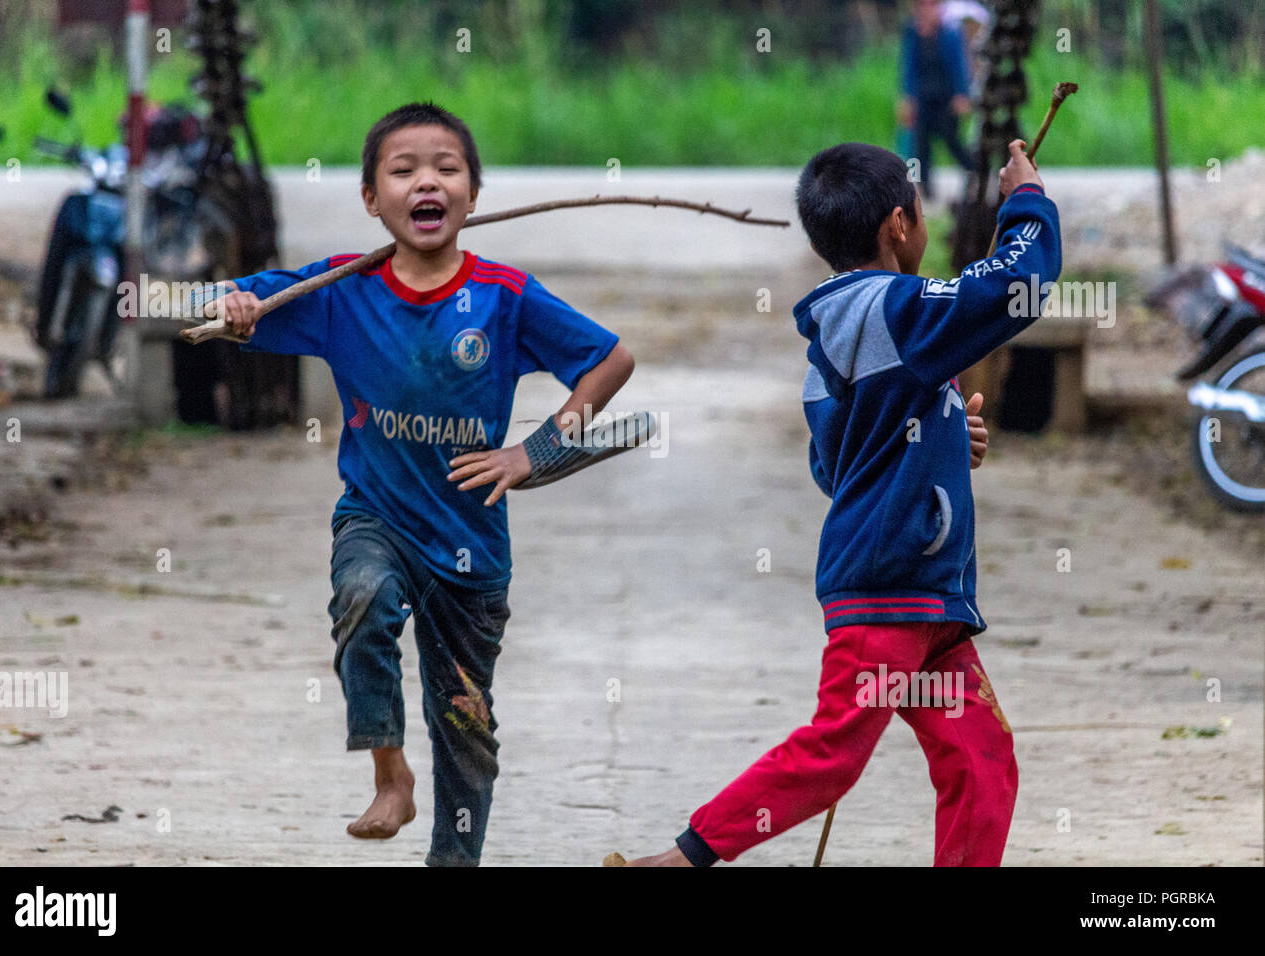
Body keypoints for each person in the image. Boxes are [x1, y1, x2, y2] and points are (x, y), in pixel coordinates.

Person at [208, 102, 635, 866]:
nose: (426, 182)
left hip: (470, 548)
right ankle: (388, 771)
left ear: (473, 193)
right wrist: (234, 308)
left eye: (446, 168)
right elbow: (236, 304)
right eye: (403, 171)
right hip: (374, 516)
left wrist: (531, 452)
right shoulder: (341, 290)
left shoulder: (506, 296)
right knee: (363, 599)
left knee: (466, 724)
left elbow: (609, 362)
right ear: (372, 199)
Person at [621, 139, 1060, 867]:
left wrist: (948, 437)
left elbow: (842, 464)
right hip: (888, 593)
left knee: (981, 760)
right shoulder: (898, 310)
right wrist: (1027, 203)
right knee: (833, 755)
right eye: (921, 214)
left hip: (925, 600)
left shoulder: (833, 343)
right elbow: (1014, 289)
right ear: (899, 224)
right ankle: (682, 860)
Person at [897, 0, 974, 199]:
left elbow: (959, 66)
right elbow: (908, 67)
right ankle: (925, 189)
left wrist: (962, 94)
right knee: (920, 144)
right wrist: (907, 98)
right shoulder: (912, 33)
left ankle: (975, 170)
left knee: (952, 140)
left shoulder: (951, 32)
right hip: (923, 99)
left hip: (945, 99)